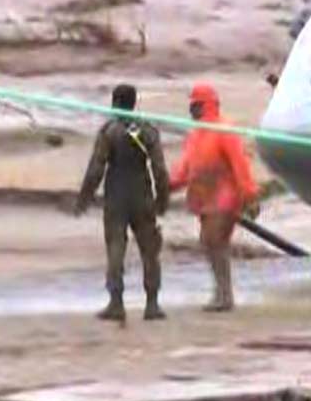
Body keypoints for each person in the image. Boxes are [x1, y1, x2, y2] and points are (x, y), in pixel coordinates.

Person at [76, 84, 171, 322]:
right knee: (150, 250)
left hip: (116, 195)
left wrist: (84, 198)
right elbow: (160, 169)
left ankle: (116, 302)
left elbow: (96, 168)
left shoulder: (109, 132)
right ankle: (152, 304)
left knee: (115, 249)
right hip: (142, 194)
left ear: (114, 103)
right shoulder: (148, 130)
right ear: (134, 102)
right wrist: (163, 199)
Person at [170, 83, 259, 312]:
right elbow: (186, 168)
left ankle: (224, 295)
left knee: (214, 239)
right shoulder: (195, 135)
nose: (192, 110)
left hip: (226, 194)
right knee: (209, 242)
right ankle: (221, 292)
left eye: (196, 105)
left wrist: (249, 194)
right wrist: (167, 186)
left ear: (206, 105)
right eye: (191, 105)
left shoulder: (225, 131)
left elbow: (241, 165)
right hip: (204, 196)